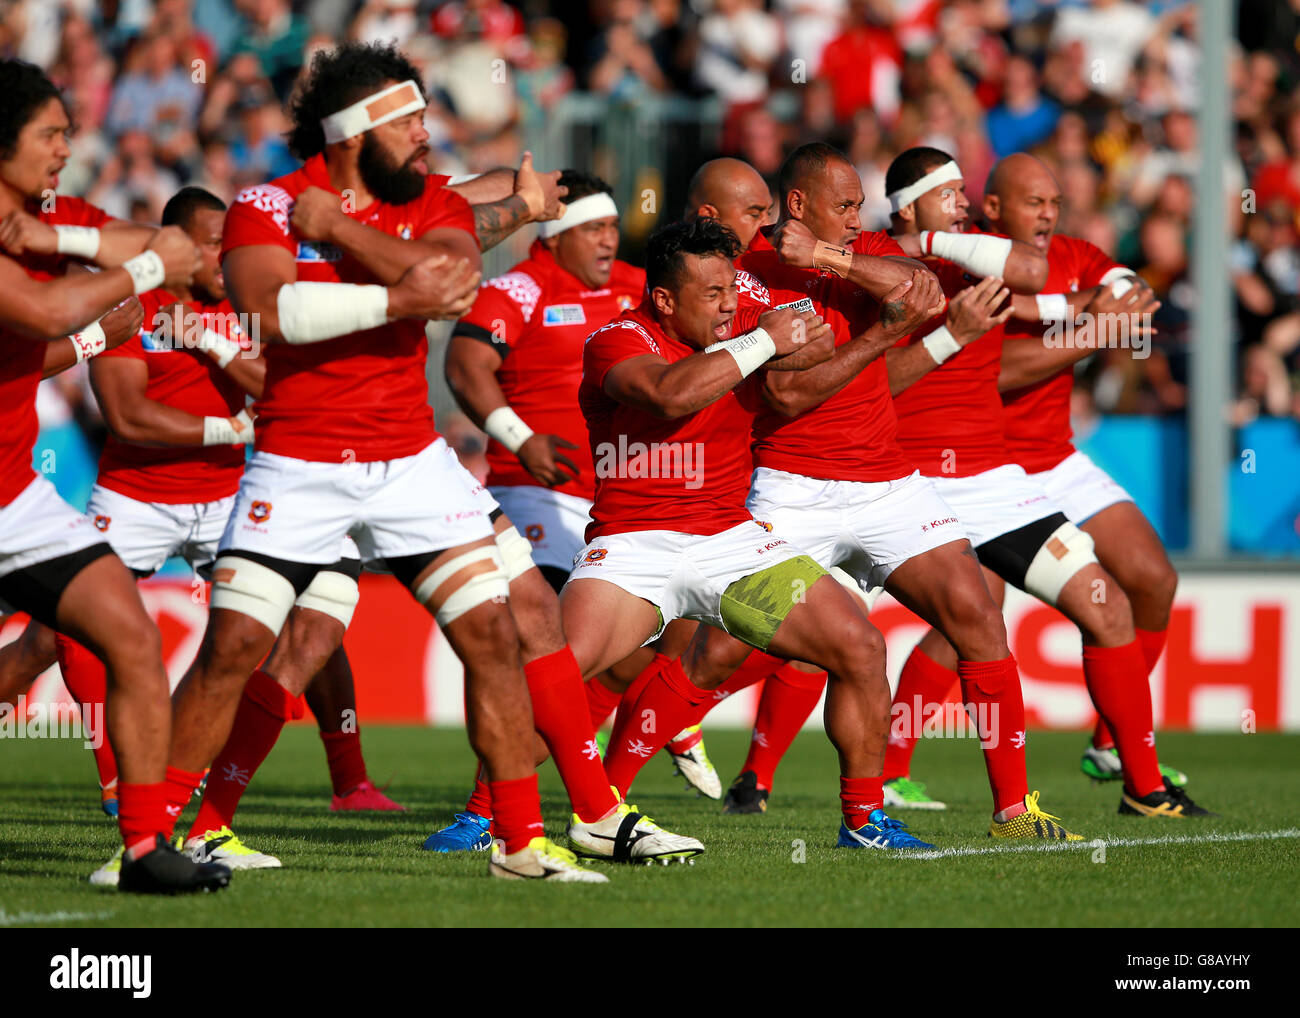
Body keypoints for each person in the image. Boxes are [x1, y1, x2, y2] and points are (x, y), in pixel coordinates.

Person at [141, 41, 603, 883]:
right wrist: (397, 295)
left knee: (496, 633)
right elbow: (267, 311)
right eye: (413, 120)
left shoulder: (427, 201)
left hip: (411, 461)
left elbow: (453, 281)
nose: (430, 137)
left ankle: (522, 845)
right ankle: (154, 839)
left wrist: (342, 232)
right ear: (356, 133)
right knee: (236, 646)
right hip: (297, 456)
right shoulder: (263, 203)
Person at [560, 214, 937, 851]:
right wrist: (764, 342)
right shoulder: (615, 338)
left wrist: (795, 333)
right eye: (714, 295)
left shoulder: (738, 322)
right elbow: (668, 395)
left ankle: (864, 822)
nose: (731, 305)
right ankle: (487, 817)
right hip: (633, 546)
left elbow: (814, 343)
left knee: (861, 649)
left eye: (734, 290)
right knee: (551, 674)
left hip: (731, 541)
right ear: (663, 300)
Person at [879, 147, 1212, 821]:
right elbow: (997, 368)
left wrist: (1106, 305)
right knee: (929, 628)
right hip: (939, 469)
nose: (1048, 214)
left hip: (1038, 467)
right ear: (994, 206)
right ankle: (853, 769)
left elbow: (1120, 292)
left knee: (1135, 587)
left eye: (1055, 202)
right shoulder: (928, 263)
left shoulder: (1066, 254)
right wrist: (1089, 330)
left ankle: (1129, 768)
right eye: (1035, 202)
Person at [427, 170, 714, 852]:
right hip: (538, 495)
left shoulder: (644, 291)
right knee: (548, 639)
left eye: (614, 226)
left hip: (622, 502)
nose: (610, 239)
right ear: (554, 235)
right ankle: (488, 808)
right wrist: (520, 440)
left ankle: (604, 785)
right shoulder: (520, 289)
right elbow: (467, 367)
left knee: (629, 655)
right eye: (592, 227)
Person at [0, 57, 229, 893]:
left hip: (14, 497)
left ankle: (142, 852)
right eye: (50, 133)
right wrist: (145, 272)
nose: (68, 145)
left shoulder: (46, 214)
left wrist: (87, 252)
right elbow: (44, 311)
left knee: (128, 635)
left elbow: (129, 247)